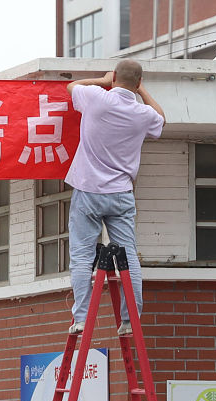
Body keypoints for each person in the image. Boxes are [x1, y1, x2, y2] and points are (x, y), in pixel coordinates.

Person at [64, 59, 165, 337]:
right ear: (138, 81)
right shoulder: (141, 114)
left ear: (115, 76)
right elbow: (161, 118)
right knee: (128, 256)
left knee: (82, 257)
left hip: (88, 190)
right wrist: (142, 92)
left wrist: (102, 80)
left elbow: (72, 86)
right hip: (121, 193)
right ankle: (130, 320)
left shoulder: (97, 98)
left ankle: (82, 318)